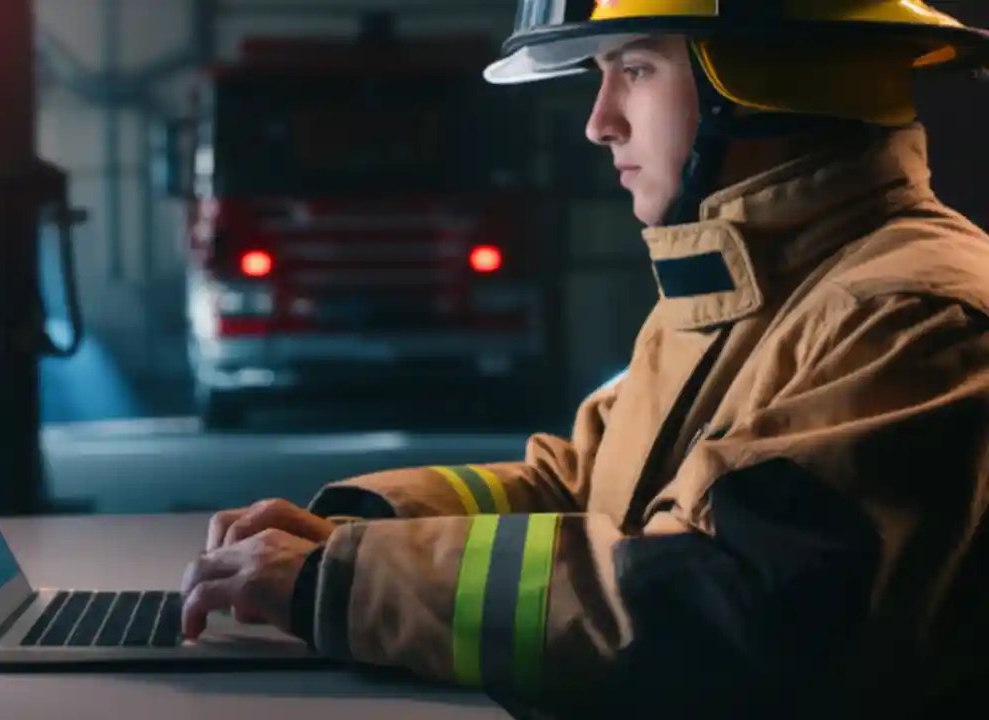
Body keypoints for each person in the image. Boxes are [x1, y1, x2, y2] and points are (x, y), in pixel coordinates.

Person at [180, 2, 989, 717]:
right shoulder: (747, 289)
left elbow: (733, 610)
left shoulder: (908, 318)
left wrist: (347, 584)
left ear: (774, 80)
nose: (599, 121)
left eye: (635, 69)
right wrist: (357, 527)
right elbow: (584, 484)